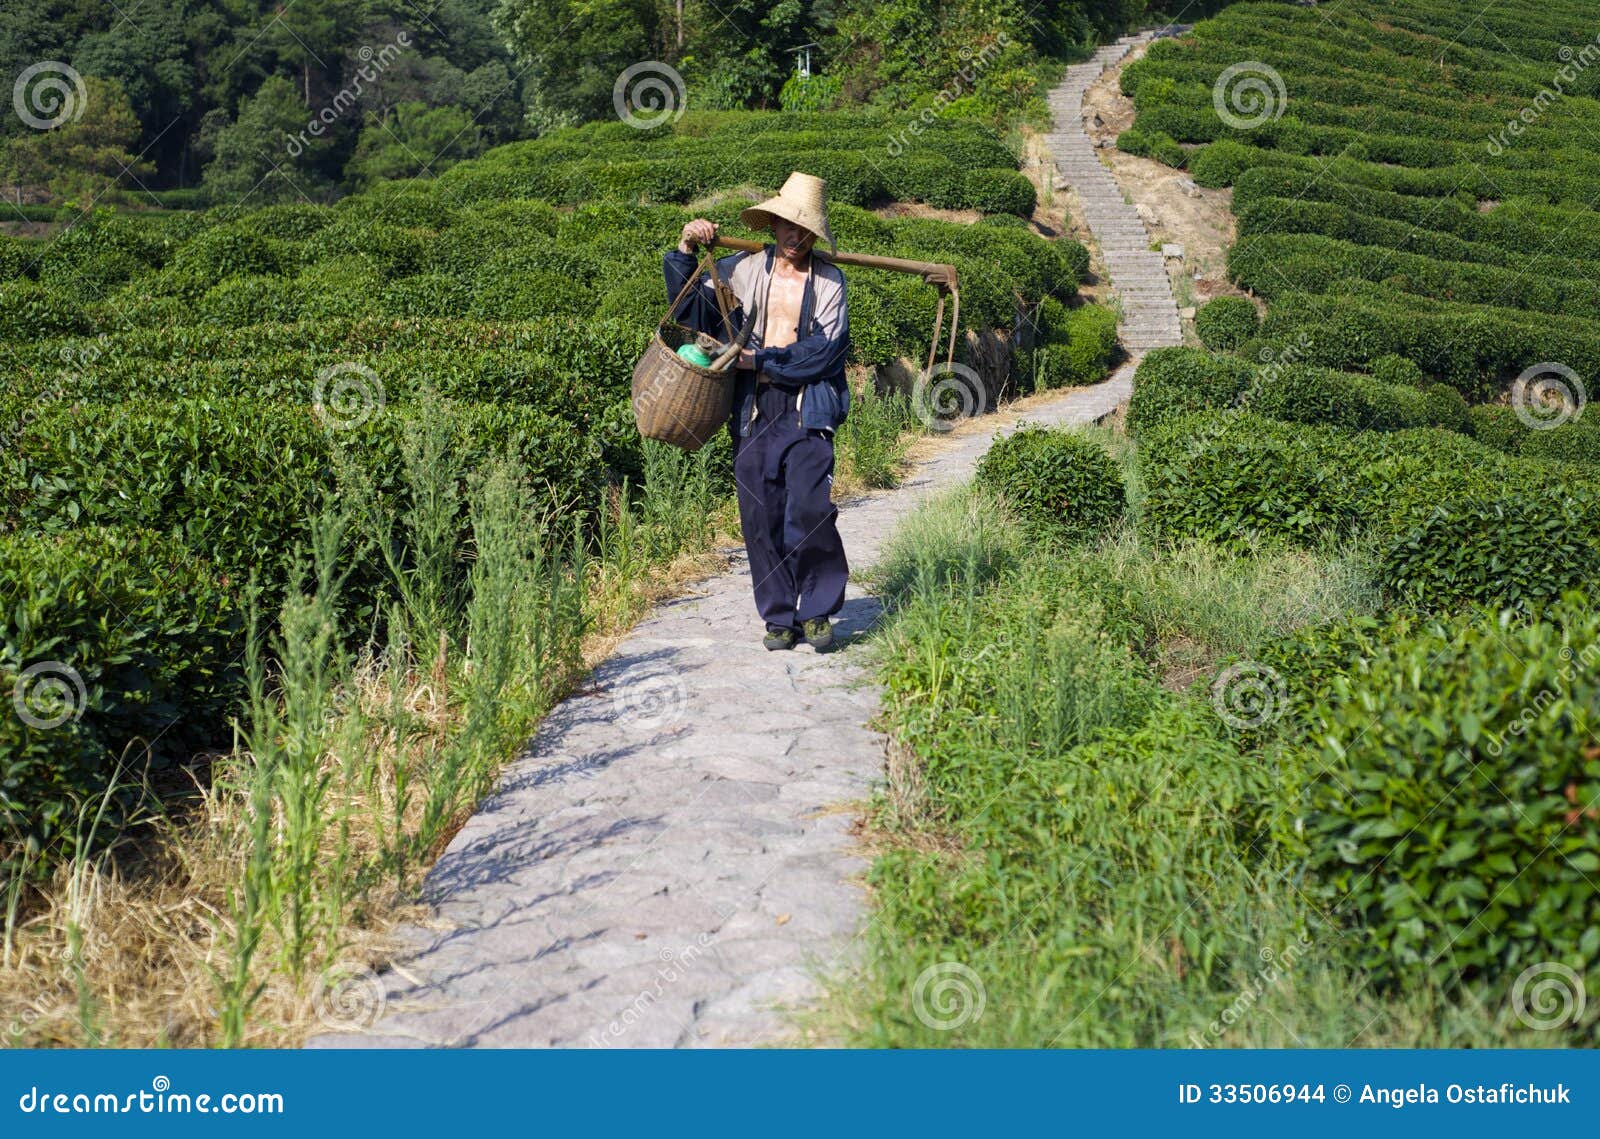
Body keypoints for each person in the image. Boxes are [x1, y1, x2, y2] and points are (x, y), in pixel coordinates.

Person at [662, 171, 851, 652]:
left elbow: (824, 353)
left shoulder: (830, 281)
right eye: (789, 225)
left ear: (814, 233)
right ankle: (780, 616)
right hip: (753, 408)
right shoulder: (743, 269)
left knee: (808, 508)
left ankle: (817, 610)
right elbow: (692, 310)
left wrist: (762, 359)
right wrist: (685, 250)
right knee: (759, 510)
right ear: (773, 224)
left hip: (809, 407)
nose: (797, 235)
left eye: (805, 228)